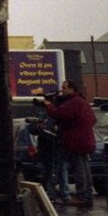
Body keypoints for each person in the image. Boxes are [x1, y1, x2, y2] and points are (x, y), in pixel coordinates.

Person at [41, 79, 97, 208]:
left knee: (78, 169)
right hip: (85, 140)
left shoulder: (73, 103)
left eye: (64, 88)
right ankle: (87, 195)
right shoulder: (82, 102)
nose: (62, 90)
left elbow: (58, 113)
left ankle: (83, 196)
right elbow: (93, 120)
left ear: (72, 89)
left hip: (75, 141)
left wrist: (48, 105)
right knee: (84, 167)